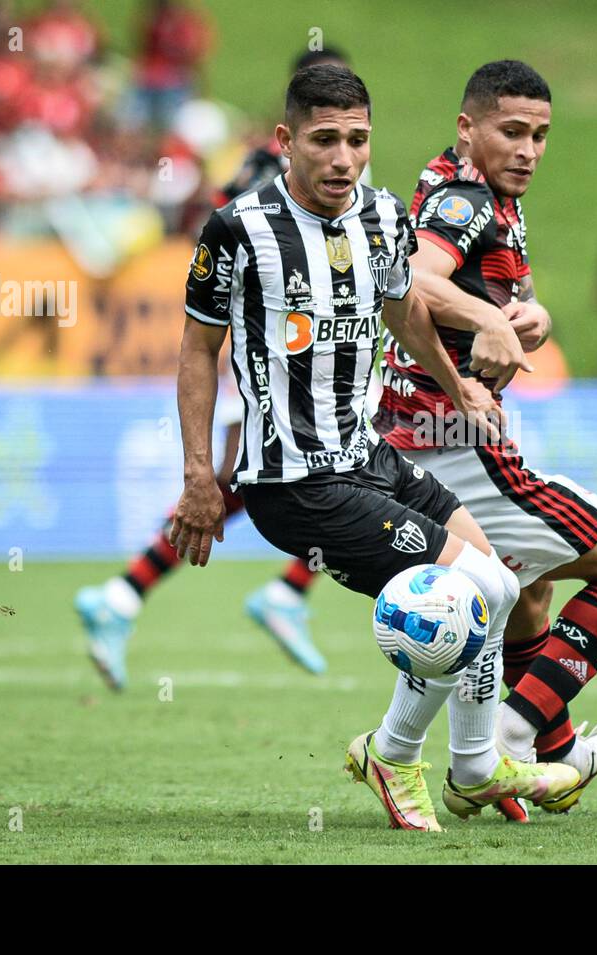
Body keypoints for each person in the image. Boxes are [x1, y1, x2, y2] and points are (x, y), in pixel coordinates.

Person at [168, 64, 578, 831]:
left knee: (495, 581)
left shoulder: (386, 215)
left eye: (357, 140)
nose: (343, 159)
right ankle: (394, 755)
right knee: (463, 594)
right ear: (287, 141)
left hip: (370, 456)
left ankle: (478, 764)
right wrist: (198, 475)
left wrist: (457, 388)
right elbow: (197, 351)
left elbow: (403, 311)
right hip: (294, 480)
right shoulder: (238, 229)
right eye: (324, 141)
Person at [373, 61, 597, 815]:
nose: (529, 148)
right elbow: (409, 278)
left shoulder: (476, 190)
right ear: (467, 127)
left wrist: (522, 314)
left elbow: (475, 293)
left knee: (533, 595)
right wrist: (495, 320)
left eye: (540, 134)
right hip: (455, 447)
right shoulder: (468, 198)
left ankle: (555, 748)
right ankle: (511, 739)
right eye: (512, 130)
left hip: (427, 440)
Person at [74, 48, 360, 685]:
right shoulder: (270, 169)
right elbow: (225, 235)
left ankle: (128, 595)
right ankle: (264, 592)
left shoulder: (331, 172)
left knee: (280, 476)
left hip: (311, 356)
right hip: (263, 355)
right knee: (264, 477)